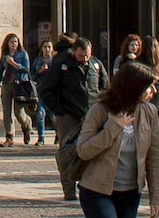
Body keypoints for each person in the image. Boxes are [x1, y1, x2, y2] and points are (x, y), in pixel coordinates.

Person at [73, 62, 159, 218]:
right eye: (149, 86)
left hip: (130, 193)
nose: (154, 91)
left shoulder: (149, 112)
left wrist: (156, 197)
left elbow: (155, 156)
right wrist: (113, 127)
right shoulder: (100, 109)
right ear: (134, 87)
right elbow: (83, 151)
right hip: (97, 190)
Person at [47, 36, 101, 199]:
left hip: (91, 114)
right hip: (68, 114)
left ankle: (88, 186)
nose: (84, 59)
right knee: (68, 152)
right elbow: (47, 88)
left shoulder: (96, 65)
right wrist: (59, 110)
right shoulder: (61, 64)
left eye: (87, 56)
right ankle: (69, 189)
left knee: (93, 150)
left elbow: (105, 87)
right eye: (80, 56)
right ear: (74, 52)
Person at [0, 32, 36, 145]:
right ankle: (9, 137)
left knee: (18, 113)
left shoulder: (23, 54)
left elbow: (26, 70)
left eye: (16, 42)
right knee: (6, 111)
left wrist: (14, 64)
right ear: (7, 43)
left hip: (19, 85)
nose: (14, 44)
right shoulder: (5, 56)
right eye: (11, 42)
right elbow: (0, 71)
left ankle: (26, 125)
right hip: (7, 84)